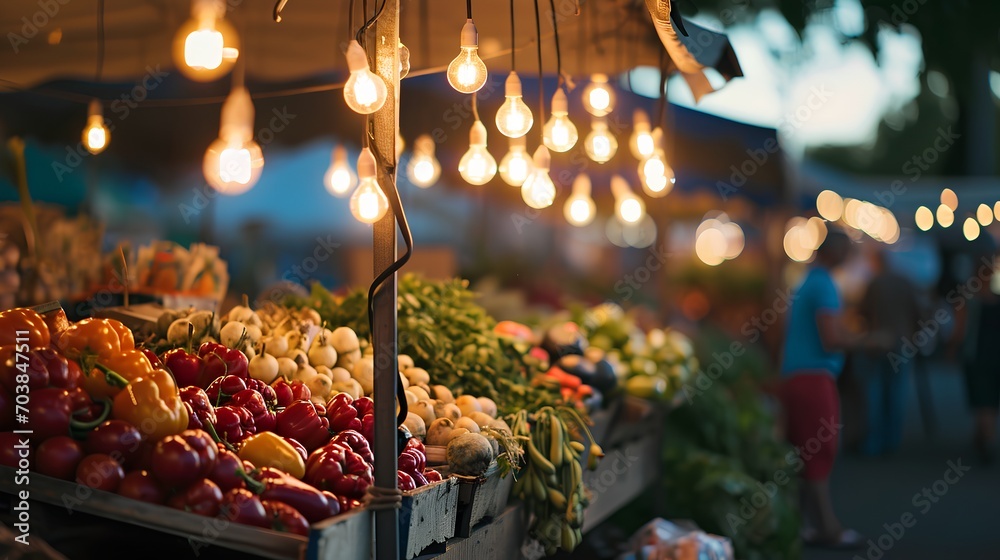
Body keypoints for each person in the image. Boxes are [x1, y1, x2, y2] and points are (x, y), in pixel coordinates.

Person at [778, 228, 889, 549]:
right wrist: (868, 341)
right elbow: (832, 337)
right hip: (813, 377)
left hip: (796, 376)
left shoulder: (807, 280)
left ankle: (802, 525)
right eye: (847, 249)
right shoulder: (824, 284)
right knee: (820, 450)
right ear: (835, 251)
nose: (850, 255)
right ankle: (828, 527)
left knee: (804, 453)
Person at [856, 249, 922, 455]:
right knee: (897, 393)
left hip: (878, 343)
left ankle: (874, 442)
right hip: (901, 343)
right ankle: (892, 440)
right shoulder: (906, 282)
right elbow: (918, 313)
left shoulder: (874, 284)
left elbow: (862, 311)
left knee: (875, 393)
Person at [951, 254, 1000, 465]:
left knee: (982, 401)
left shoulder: (968, 300)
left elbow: (960, 329)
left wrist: (952, 348)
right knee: (990, 401)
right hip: (994, 356)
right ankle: (983, 438)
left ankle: (984, 441)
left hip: (977, 356)